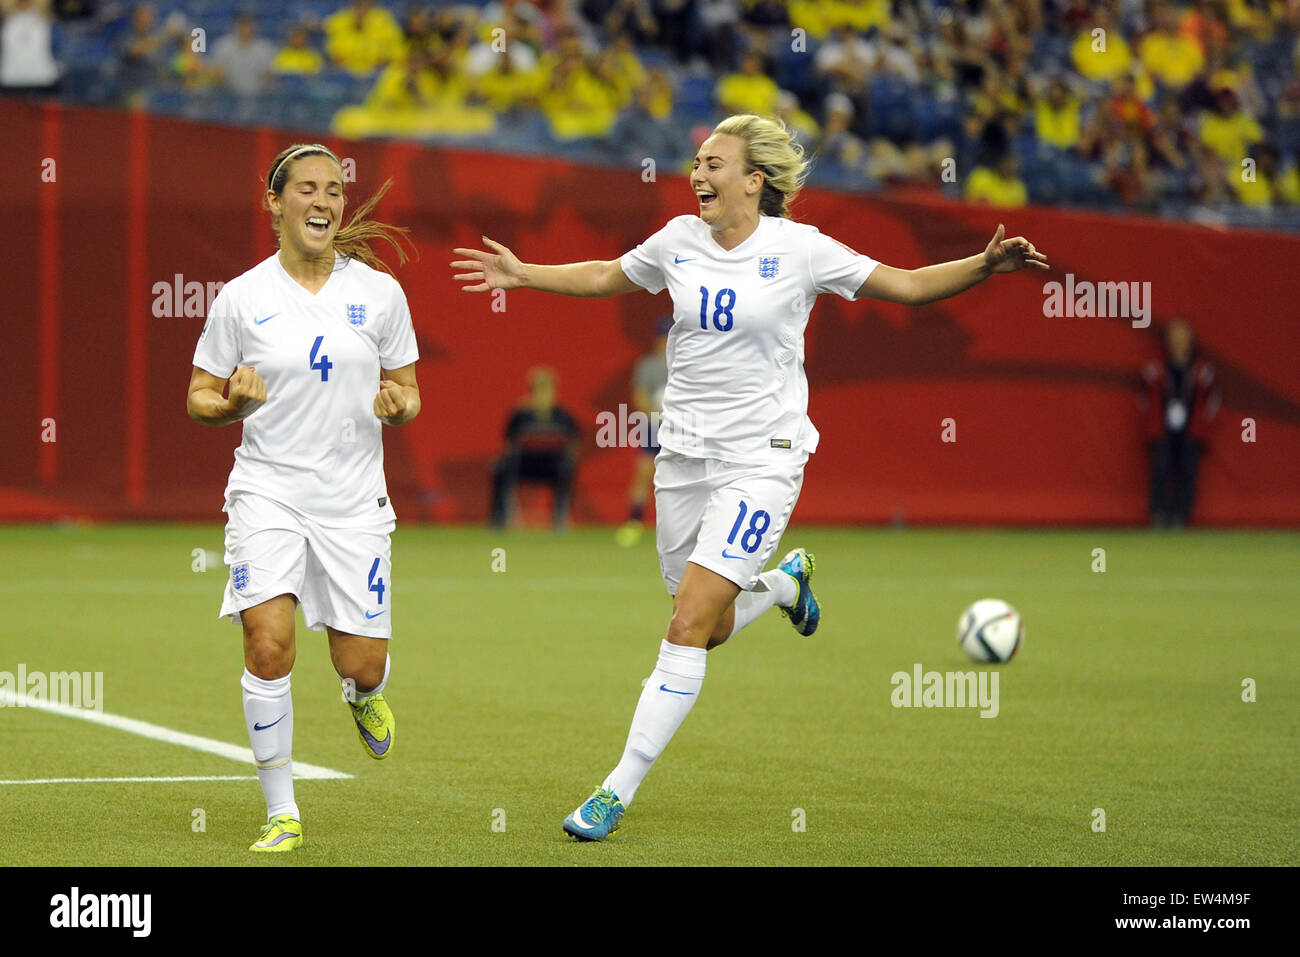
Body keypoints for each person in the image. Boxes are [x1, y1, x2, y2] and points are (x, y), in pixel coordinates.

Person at [450, 113, 1047, 842]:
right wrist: (523, 273)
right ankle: (786, 584)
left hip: (764, 456)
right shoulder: (677, 240)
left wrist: (984, 266)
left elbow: (911, 286)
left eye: (713, 163)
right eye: (697, 162)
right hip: (685, 456)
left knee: (687, 620)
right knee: (711, 626)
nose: (697, 174)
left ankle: (614, 788)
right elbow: (608, 275)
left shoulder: (800, 250)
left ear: (753, 180)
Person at [187, 143, 420, 852]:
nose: (324, 201)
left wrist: (397, 405)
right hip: (268, 492)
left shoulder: (378, 292)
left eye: (335, 190)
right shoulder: (242, 297)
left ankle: (362, 694)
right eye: (308, 189)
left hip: (353, 501)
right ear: (275, 201)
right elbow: (198, 394)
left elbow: (408, 390)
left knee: (363, 661)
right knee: (269, 643)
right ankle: (281, 808)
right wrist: (228, 407)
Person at [1141, 319, 1219, 528]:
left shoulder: (1202, 371)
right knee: (1160, 469)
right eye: (1175, 337)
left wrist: (1202, 427)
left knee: (1187, 471)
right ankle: (1158, 514)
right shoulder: (1155, 368)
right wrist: (1152, 426)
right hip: (1162, 429)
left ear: (1191, 341)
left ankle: (1181, 516)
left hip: (1191, 429)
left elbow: (1211, 402)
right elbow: (1145, 400)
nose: (1179, 341)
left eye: (1183, 337)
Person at [490, 366, 581, 530]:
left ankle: (560, 519)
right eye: (539, 390)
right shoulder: (521, 416)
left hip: (552, 467)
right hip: (523, 465)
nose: (544, 395)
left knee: (567, 467)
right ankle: (501, 520)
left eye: (548, 390)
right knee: (500, 467)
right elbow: (509, 445)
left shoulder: (564, 417)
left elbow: (573, 445)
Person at [615, 316, 670, 547]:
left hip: (686, 428)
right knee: (644, 473)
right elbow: (640, 398)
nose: (666, 342)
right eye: (663, 338)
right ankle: (634, 522)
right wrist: (659, 419)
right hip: (654, 426)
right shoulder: (648, 366)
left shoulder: (688, 364)